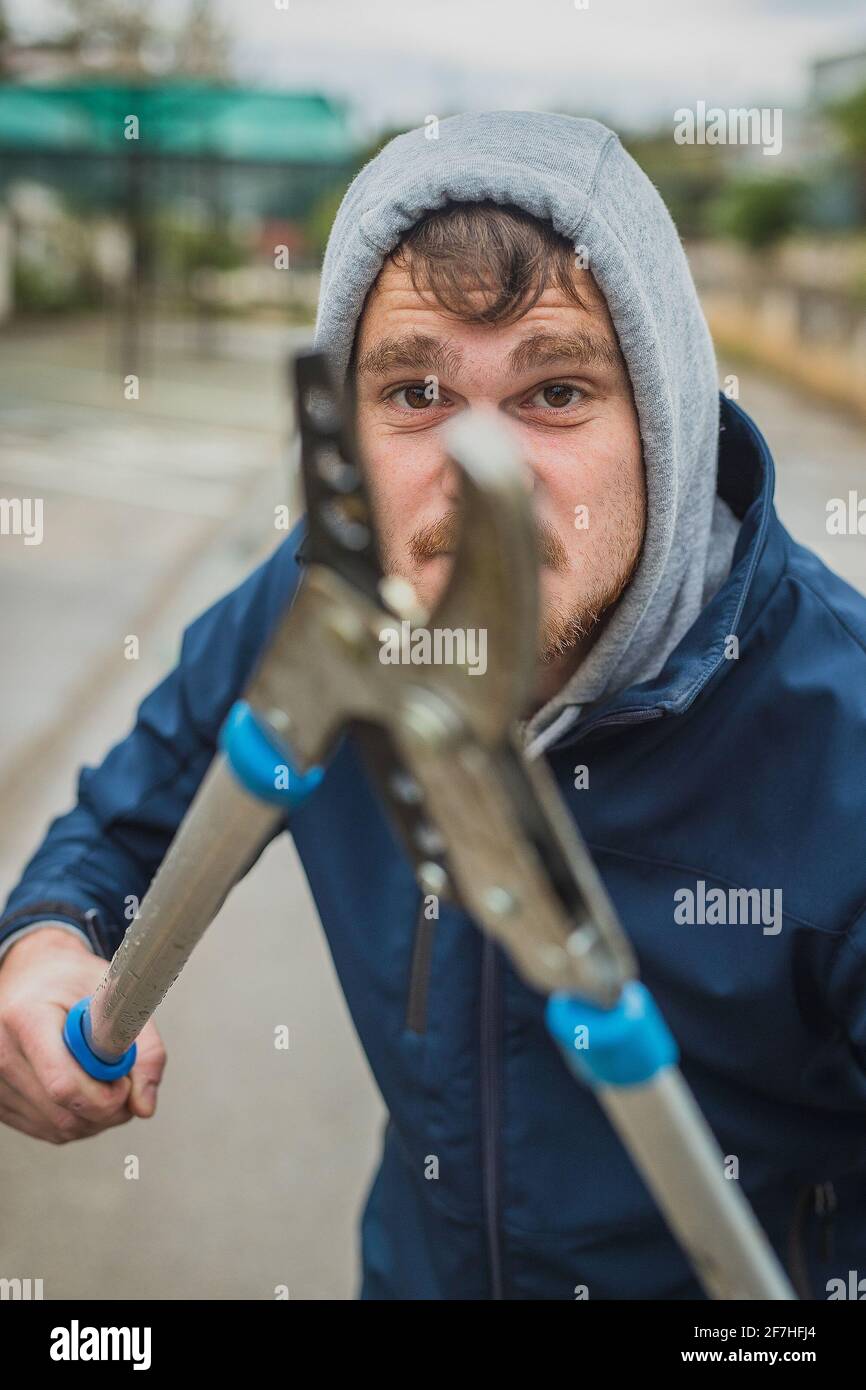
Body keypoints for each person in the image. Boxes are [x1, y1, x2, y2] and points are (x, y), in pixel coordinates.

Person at [2, 112, 865, 1300]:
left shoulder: (840, 735)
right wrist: (43, 951)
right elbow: (126, 817)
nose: (477, 470)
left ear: (662, 423)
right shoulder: (313, 613)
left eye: (554, 390)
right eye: (413, 390)